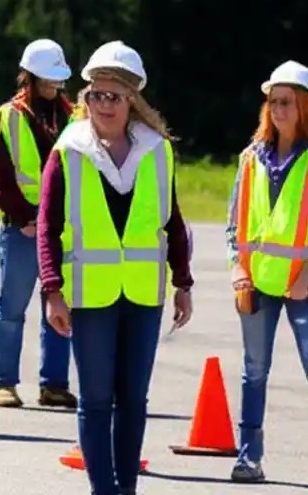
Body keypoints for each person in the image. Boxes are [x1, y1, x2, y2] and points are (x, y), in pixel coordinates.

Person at [37, 40, 195, 495]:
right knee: (95, 400)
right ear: (85, 99)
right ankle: (102, 490)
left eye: (114, 95)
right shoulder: (68, 150)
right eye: (96, 95)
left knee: (133, 401)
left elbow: (173, 219)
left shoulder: (157, 151)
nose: (104, 104)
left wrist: (182, 282)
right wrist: (52, 290)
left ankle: (126, 488)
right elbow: (48, 225)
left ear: (132, 101)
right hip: (91, 294)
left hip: (144, 293)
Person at [226, 60, 308, 484]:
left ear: (304, 108)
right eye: (273, 102)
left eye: (286, 102)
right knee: (254, 370)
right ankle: (250, 457)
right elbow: (236, 226)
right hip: (257, 284)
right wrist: (237, 270)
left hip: (304, 285)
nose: (278, 109)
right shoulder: (249, 159)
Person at [0, 38, 76, 409]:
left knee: (59, 305)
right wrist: (25, 218)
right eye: (48, 79)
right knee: (12, 307)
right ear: (31, 77)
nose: (54, 86)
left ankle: (53, 384)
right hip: (22, 230)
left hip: (62, 230)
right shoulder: (6, 117)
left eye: (58, 79)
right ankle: (1, 382)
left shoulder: (74, 116)